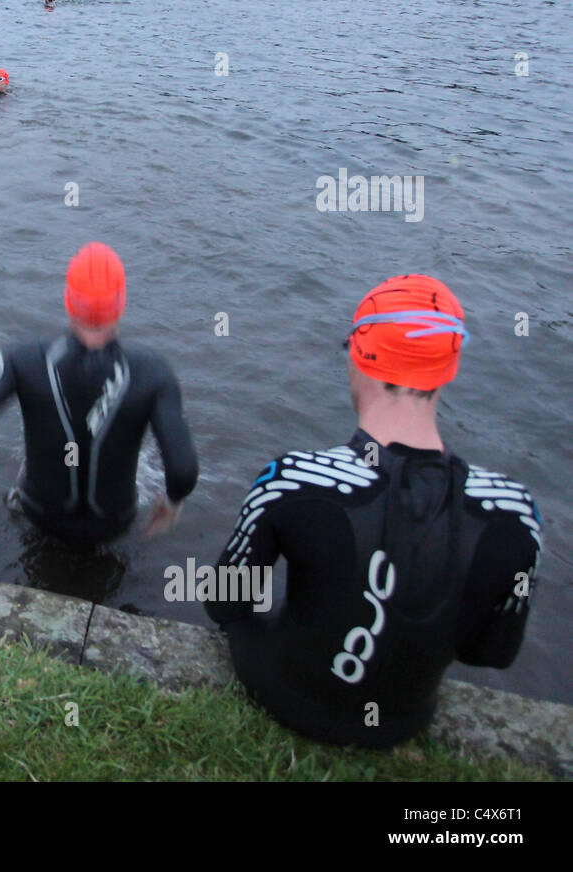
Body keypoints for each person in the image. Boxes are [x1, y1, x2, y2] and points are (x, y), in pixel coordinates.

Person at [204, 274, 542, 748]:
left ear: (358, 356)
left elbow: (223, 603)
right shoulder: (515, 514)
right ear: (448, 370)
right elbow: (492, 652)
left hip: (284, 694)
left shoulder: (292, 479)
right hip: (405, 720)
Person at [0, 243, 198, 545]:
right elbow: (183, 470)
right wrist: (171, 502)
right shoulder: (154, 372)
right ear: (121, 304)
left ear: (68, 301)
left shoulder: (22, 358)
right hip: (114, 524)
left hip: (40, 514)